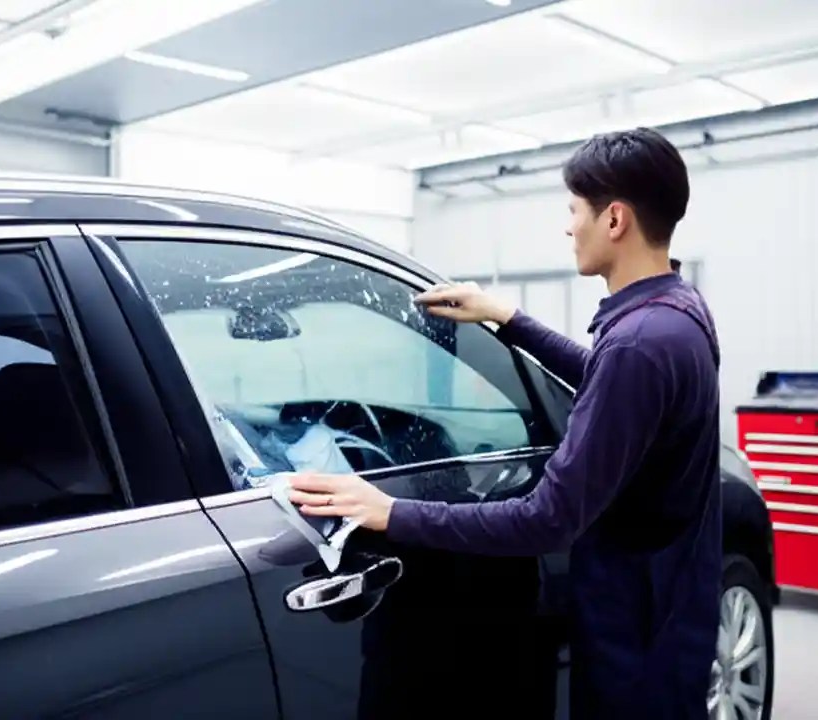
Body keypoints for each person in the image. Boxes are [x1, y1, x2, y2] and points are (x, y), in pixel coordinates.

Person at [286, 127, 723, 720]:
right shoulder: (676, 312)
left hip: (634, 643)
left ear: (614, 219)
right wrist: (508, 318)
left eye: (575, 211)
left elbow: (548, 520)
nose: (569, 227)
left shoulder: (638, 345)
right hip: (671, 617)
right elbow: (606, 377)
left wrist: (390, 511)